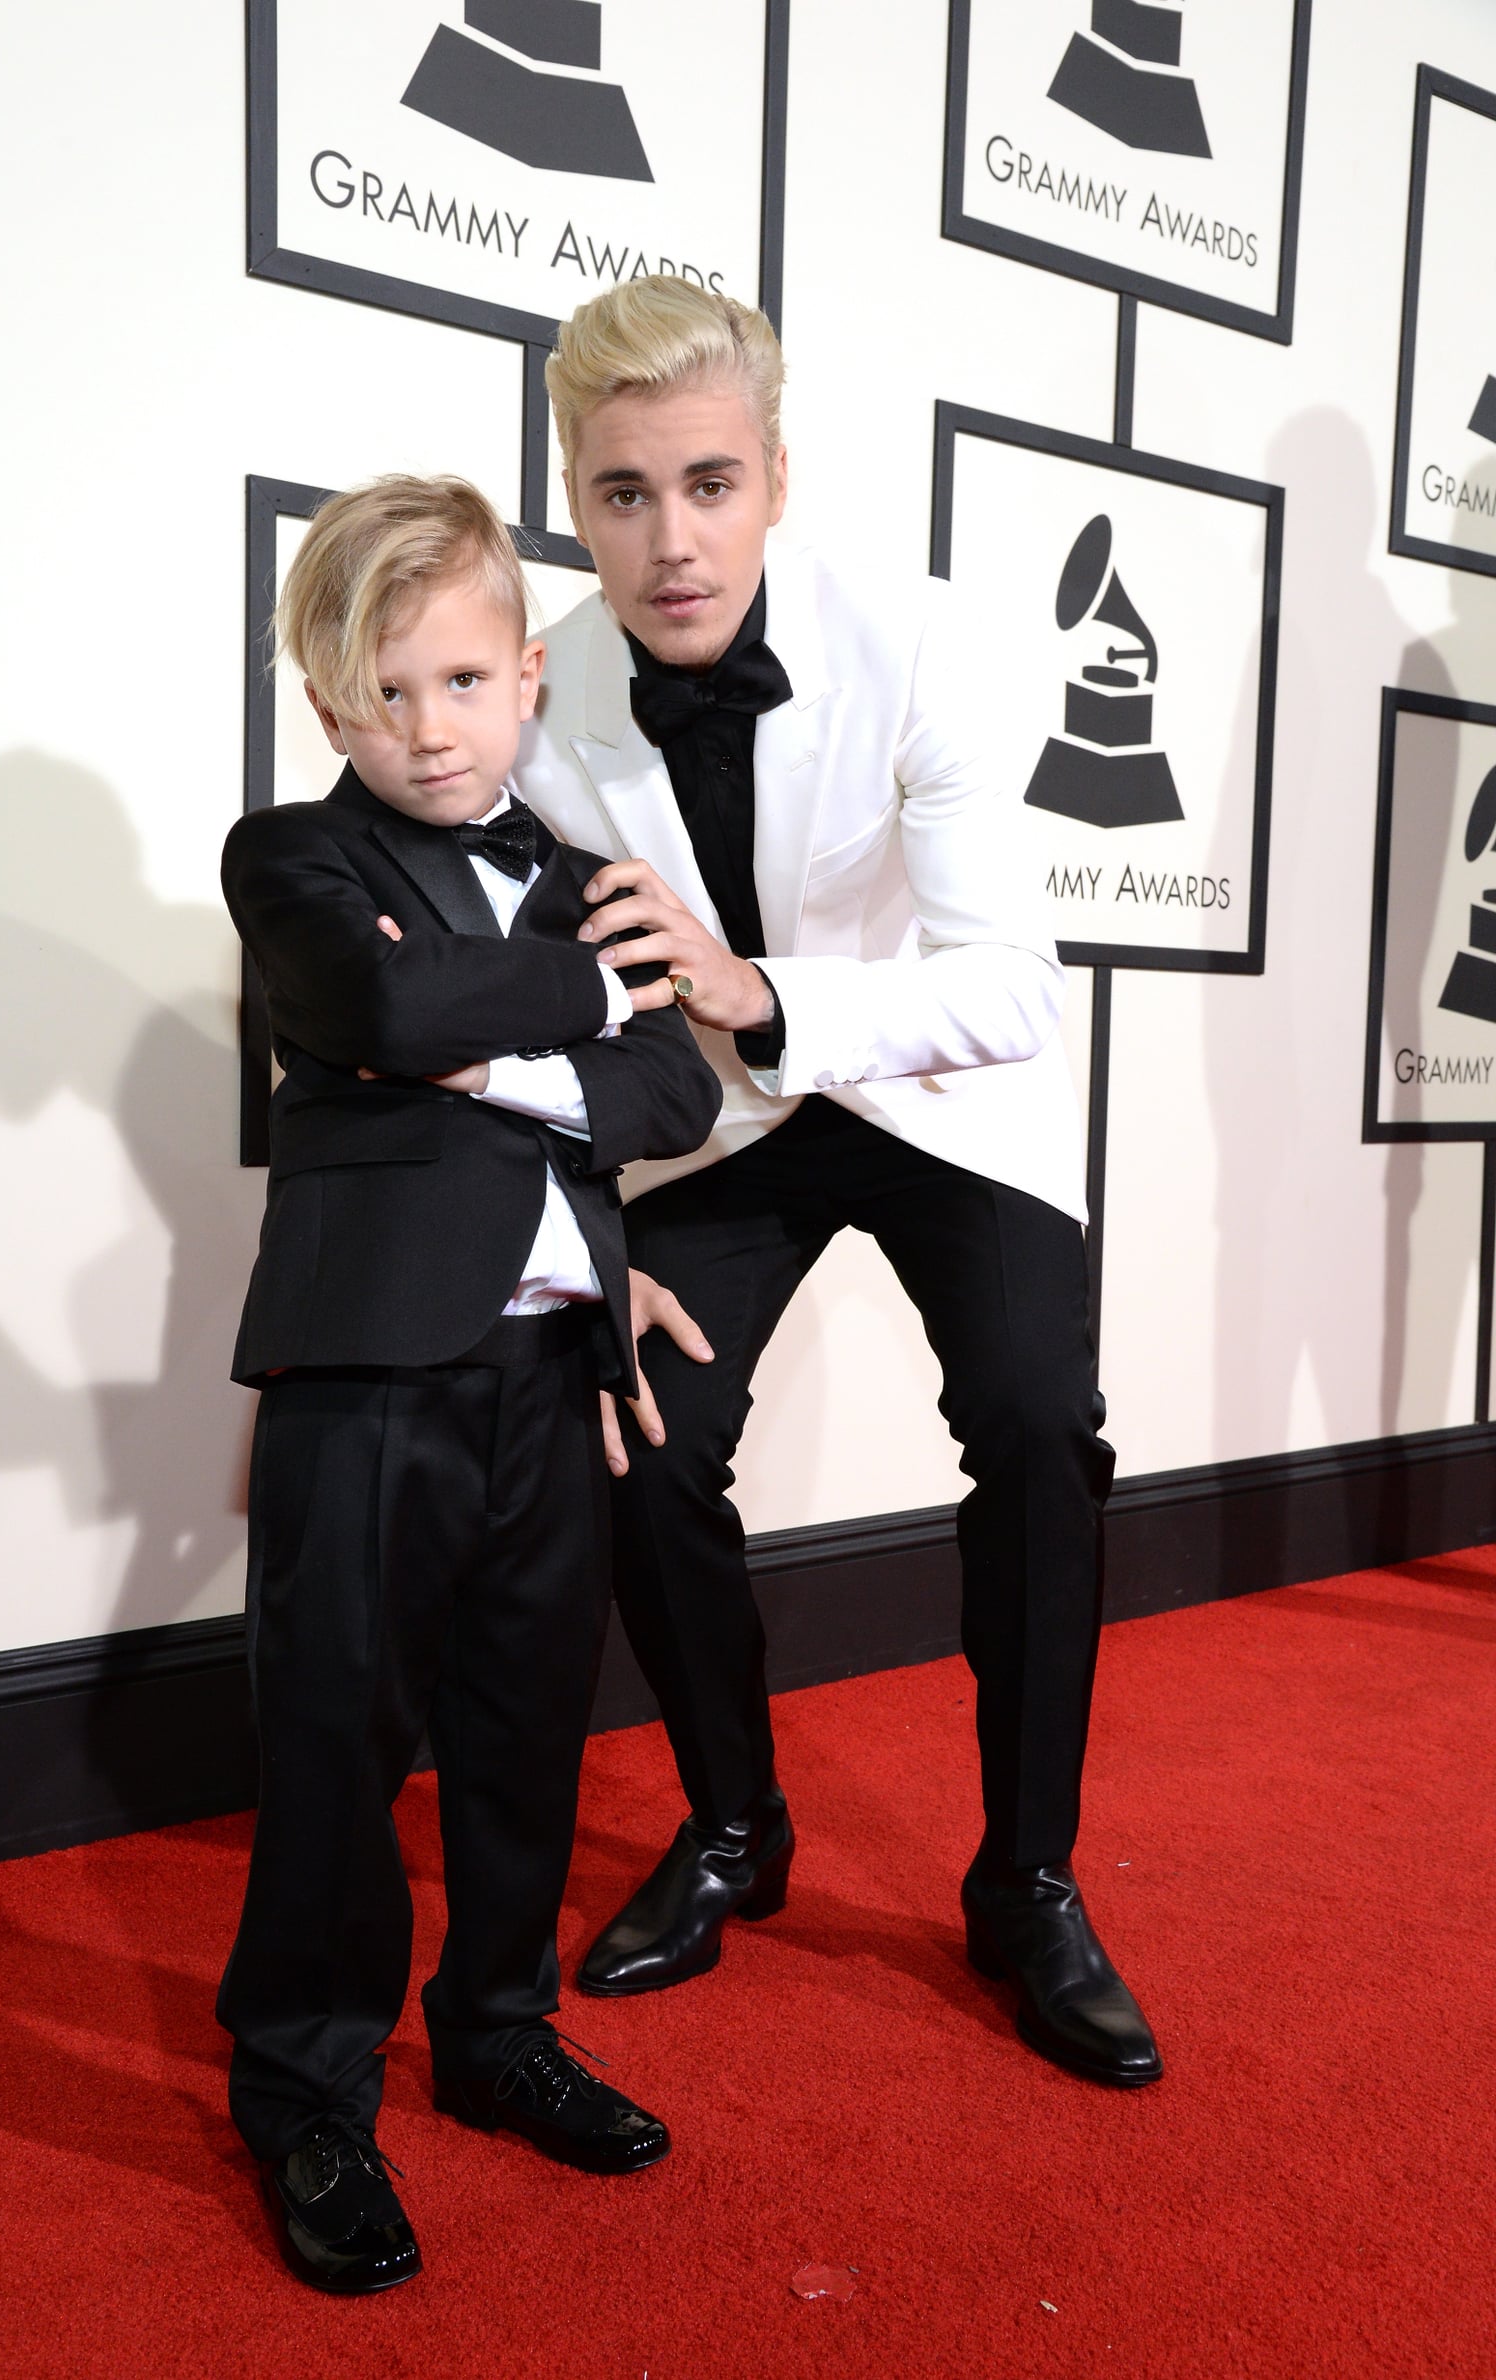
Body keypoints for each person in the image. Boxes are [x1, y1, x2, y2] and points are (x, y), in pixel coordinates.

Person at [512, 278, 1162, 2090]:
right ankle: (735, 1825)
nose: (671, 540)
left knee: (1041, 1422)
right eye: (625, 494)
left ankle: (1027, 1878)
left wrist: (769, 992)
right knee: (638, 1426)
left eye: (709, 484)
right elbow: (571, 1015)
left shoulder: (925, 641)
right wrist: (591, 1207)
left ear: (776, 479)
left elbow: (1013, 981)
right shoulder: (548, 701)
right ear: (578, 494)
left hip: (942, 1089)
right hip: (725, 1117)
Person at [216, 474, 723, 2295]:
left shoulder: (599, 880)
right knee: (339, 1735)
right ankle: (301, 2088)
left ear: (524, 676)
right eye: (378, 695)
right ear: (326, 706)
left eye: (455, 682)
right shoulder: (293, 857)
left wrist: (490, 1033)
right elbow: (370, 1019)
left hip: (550, 1373)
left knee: (523, 1724)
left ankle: (497, 2026)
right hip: (366, 1368)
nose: (423, 730)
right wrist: (573, 1009)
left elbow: (683, 1100)